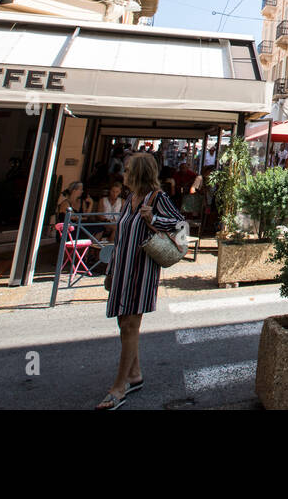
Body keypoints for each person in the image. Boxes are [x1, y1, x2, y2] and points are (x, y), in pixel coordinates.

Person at [96, 153, 184, 409]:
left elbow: (182, 228)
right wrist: (111, 270)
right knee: (123, 323)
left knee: (130, 326)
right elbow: (120, 239)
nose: (123, 174)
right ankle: (134, 375)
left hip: (141, 273)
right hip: (122, 271)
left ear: (139, 173)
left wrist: (153, 220)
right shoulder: (129, 200)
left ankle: (119, 387)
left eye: (127, 170)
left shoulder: (157, 199)